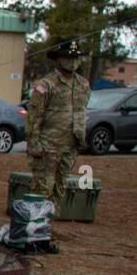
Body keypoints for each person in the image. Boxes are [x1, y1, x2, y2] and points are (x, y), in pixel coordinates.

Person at [27, 38, 91, 216]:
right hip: (48, 146)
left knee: (59, 188)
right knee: (43, 188)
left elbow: (81, 111)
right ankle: (34, 226)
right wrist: (34, 142)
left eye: (76, 58)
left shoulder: (83, 85)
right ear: (58, 59)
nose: (73, 62)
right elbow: (34, 116)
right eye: (68, 58)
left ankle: (47, 226)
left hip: (69, 146)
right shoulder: (46, 85)